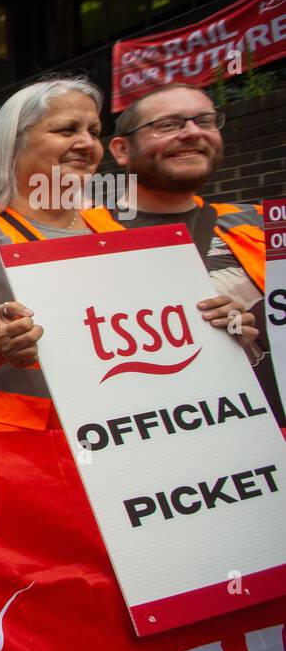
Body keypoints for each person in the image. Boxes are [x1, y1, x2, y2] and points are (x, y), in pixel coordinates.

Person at [0, 76, 257, 433]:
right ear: (14, 145)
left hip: (122, 456)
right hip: (4, 468)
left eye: (93, 132)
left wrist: (219, 327)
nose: (86, 144)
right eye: (67, 130)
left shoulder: (120, 232)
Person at [81, 82, 280, 423]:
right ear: (121, 149)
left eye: (204, 121)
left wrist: (255, 330)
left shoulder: (265, 225)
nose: (191, 133)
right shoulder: (75, 235)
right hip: (153, 442)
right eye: (168, 125)